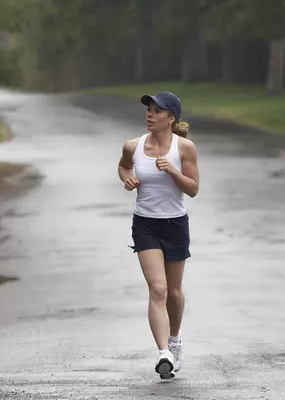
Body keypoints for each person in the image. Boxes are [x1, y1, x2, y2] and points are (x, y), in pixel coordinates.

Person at [117, 91, 200, 379]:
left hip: (176, 224)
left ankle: (175, 341)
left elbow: (192, 188)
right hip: (145, 225)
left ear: (171, 118)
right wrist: (127, 178)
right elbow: (124, 165)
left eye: (156, 111)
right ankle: (163, 351)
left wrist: (173, 172)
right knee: (158, 289)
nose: (149, 114)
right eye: (148, 110)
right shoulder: (133, 146)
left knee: (174, 293)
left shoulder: (184, 148)